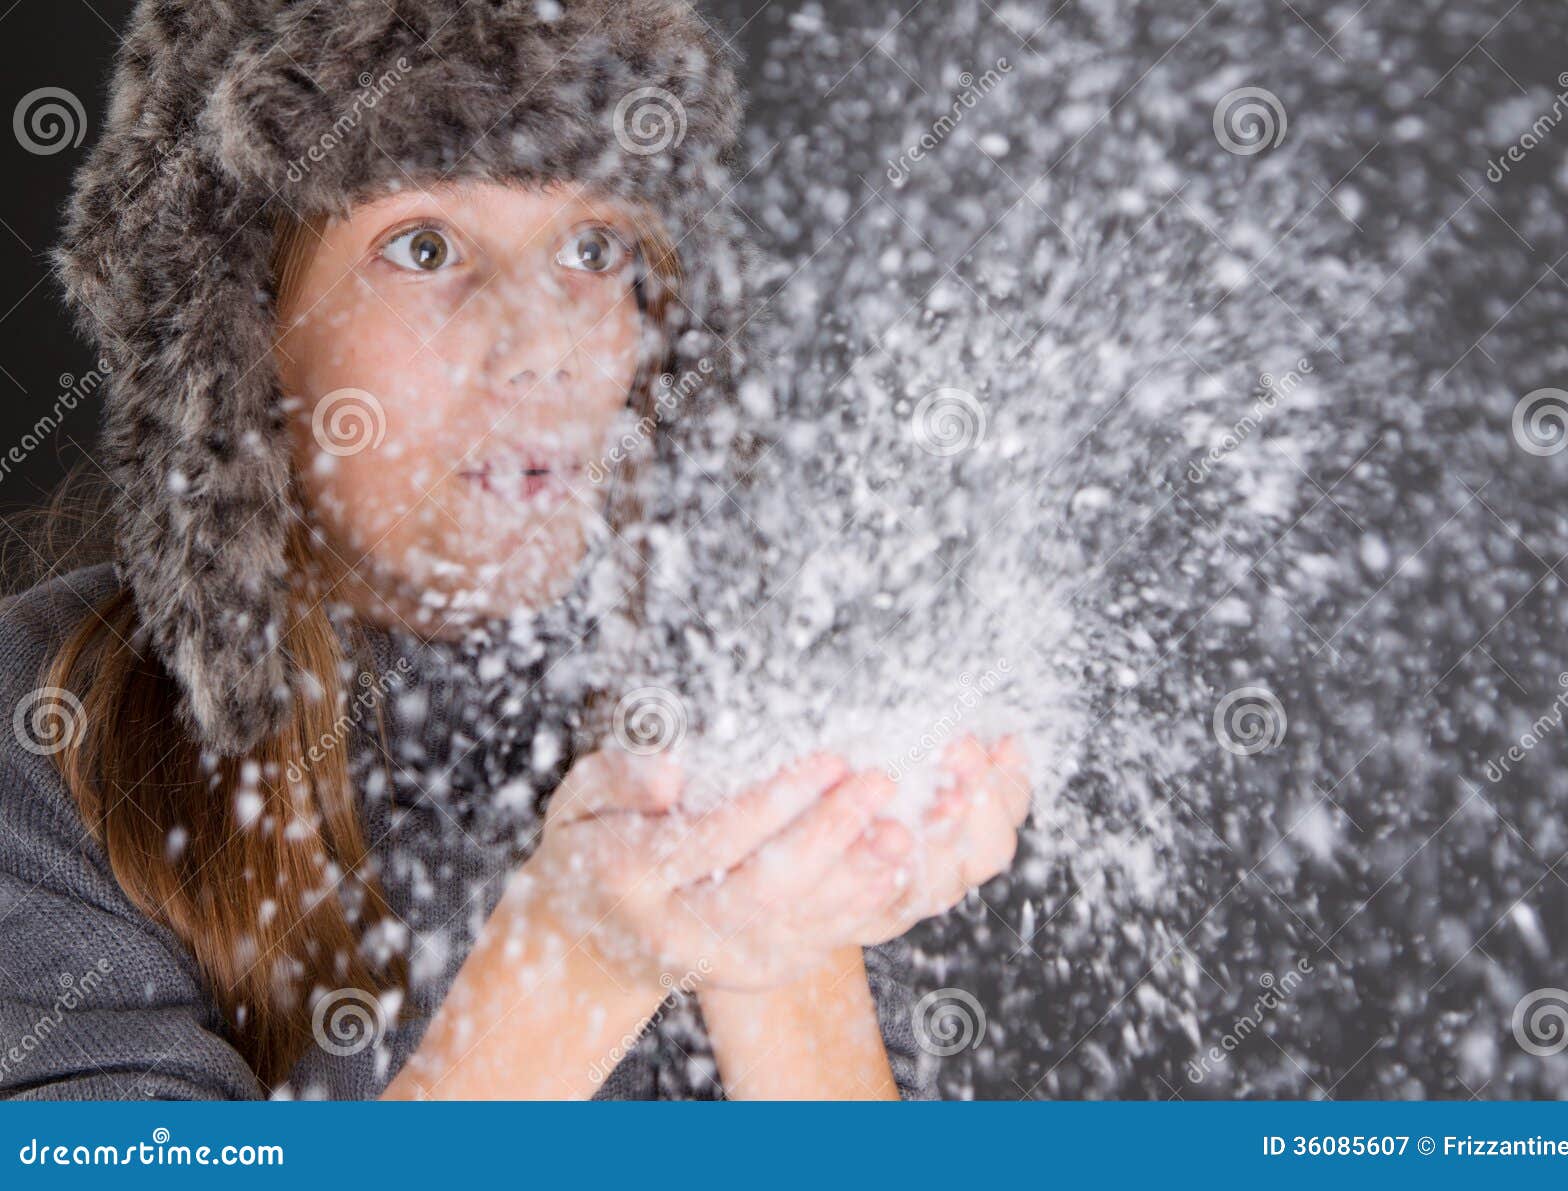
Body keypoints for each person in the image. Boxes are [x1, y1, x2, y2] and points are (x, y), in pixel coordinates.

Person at [0, 0, 1030, 1100]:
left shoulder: (739, 700)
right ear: (238, 333)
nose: (546, 344)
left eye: (593, 247)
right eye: (425, 246)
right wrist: (583, 958)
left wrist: (784, 922)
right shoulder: (45, 741)